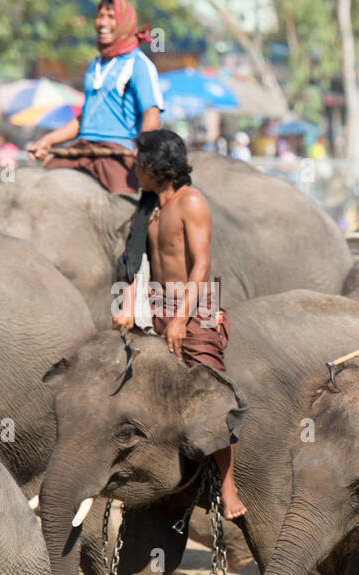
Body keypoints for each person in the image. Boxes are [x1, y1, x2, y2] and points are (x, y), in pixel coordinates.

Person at [112, 129, 247, 518]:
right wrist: (129, 307)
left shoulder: (192, 202)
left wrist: (181, 318)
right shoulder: (149, 207)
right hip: (158, 305)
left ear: (157, 165)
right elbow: (140, 264)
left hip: (196, 305)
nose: (134, 167)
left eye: (139, 160)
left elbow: (201, 265)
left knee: (210, 390)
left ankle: (227, 484)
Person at [28, 1, 163, 195]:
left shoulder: (140, 64)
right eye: (100, 16)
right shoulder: (94, 65)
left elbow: (152, 114)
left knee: (123, 214)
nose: (102, 22)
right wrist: (48, 141)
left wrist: (143, 147)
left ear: (125, 22)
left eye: (111, 16)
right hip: (81, 149)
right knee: (38, 189)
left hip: (118, 152)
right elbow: (85, 119)